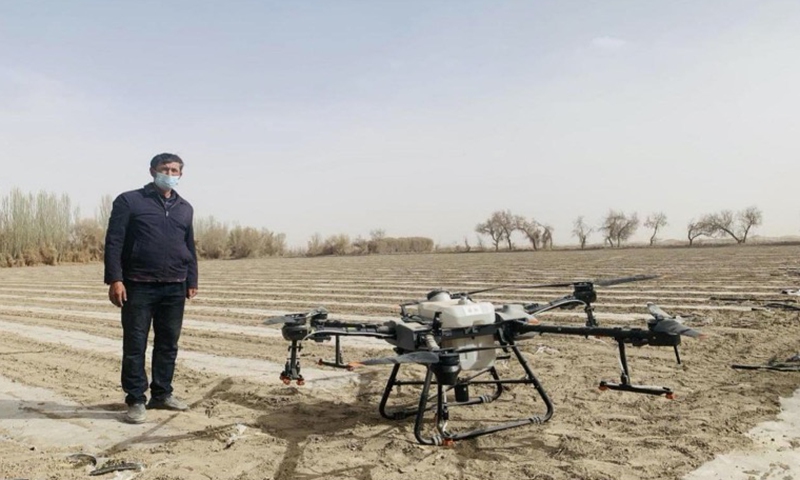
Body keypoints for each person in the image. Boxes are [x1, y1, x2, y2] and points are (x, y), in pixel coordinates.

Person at [104, 153, 199, 424]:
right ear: (152, 171)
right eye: (164, 169)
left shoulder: (185, 207)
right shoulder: (130, 201)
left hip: (174, 285)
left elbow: (188, 246)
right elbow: (114, 242)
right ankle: (135, 399)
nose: (169, 173)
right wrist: (115, 279)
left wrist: (192, 279)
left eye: (174, 170)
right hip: (138, 285)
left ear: (181, 174)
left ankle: (162, 393)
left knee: (168, 343)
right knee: (135, 344)